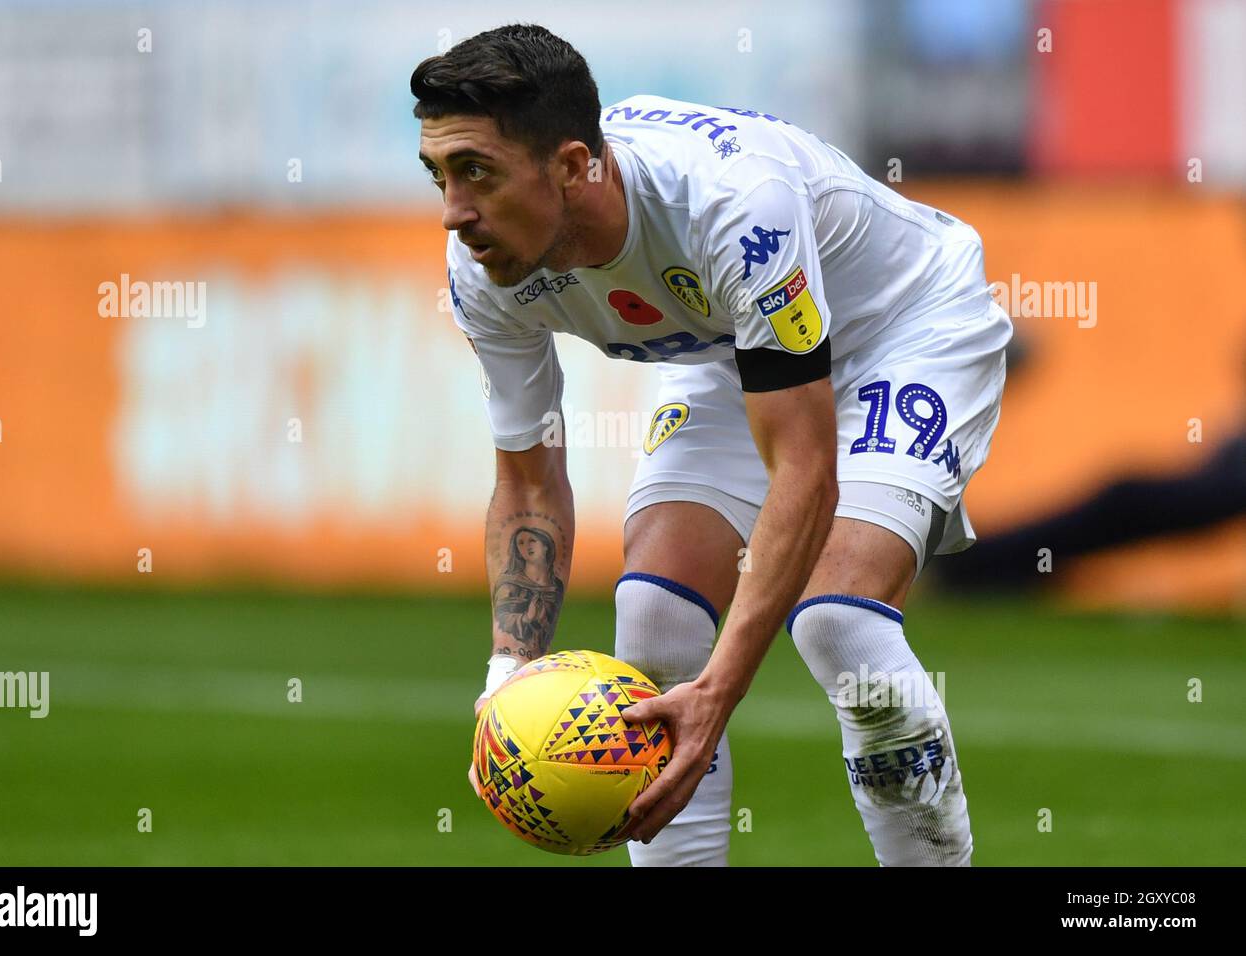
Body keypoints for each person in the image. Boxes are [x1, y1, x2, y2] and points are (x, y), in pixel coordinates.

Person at [412, 23, 1012, 866]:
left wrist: (718, 696)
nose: (453, 211)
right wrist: (507, 674)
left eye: (476, 171)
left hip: (905, 325)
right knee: (652, 618)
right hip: (734, 351)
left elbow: (804, 469)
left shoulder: (732, 206)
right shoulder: (484, 270)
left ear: (576, 165)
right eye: (438, 174)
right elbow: (529, 482)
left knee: (842, 627)